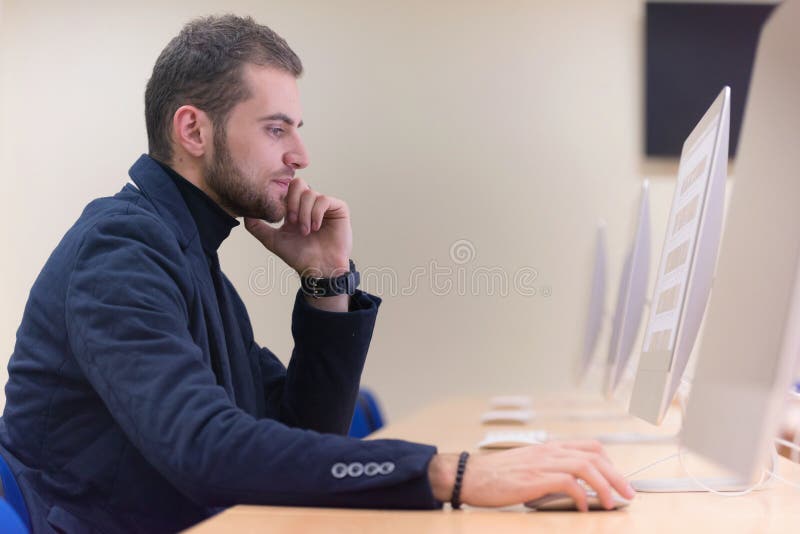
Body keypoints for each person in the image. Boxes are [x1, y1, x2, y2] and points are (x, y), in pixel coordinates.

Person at [0, 14, 634, 533]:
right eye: (276, 130)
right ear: (192, 129)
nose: (300, 157)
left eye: (296, 131)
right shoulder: (119, 251)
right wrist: (452, 473)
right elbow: (208, 451)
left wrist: (328, 282)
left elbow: (291, 437)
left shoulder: (190, 256)